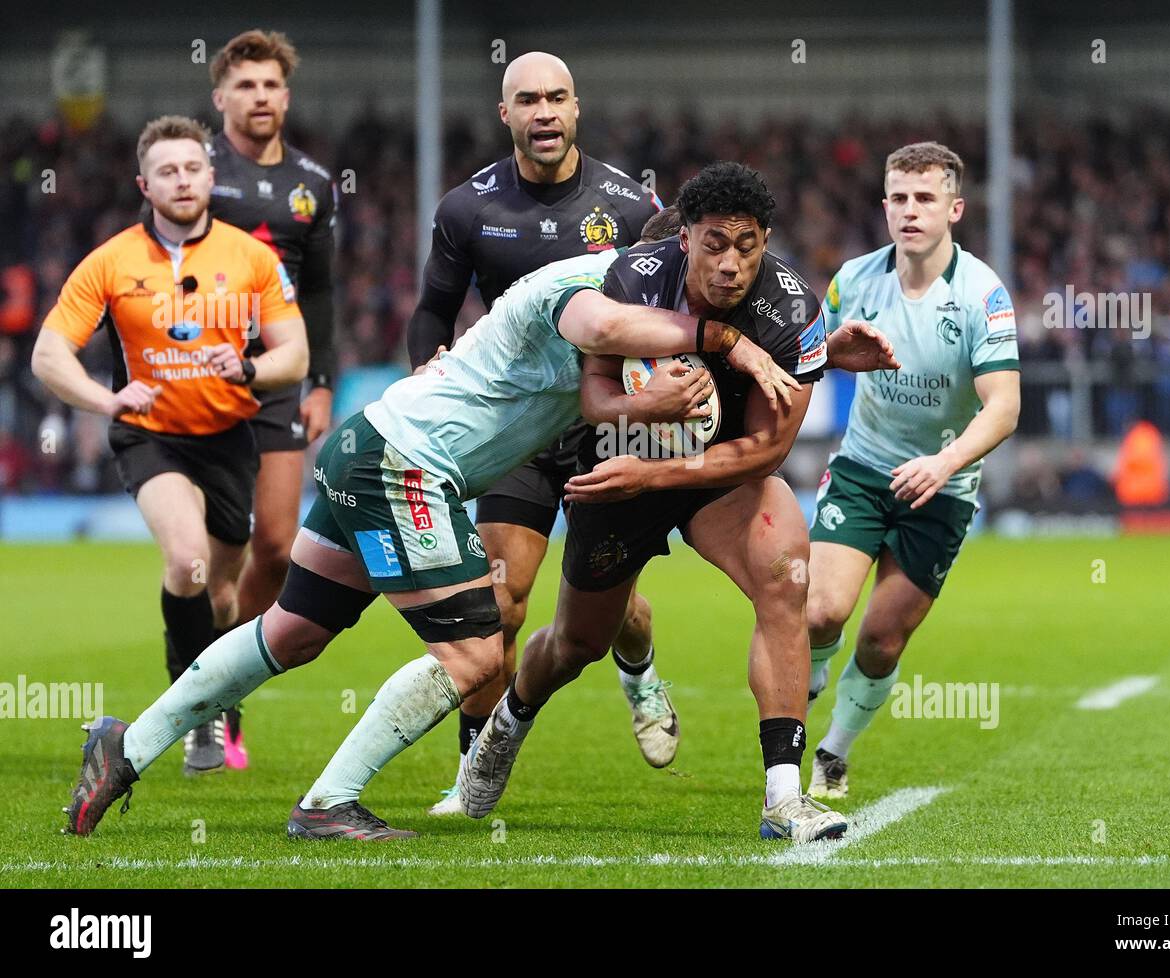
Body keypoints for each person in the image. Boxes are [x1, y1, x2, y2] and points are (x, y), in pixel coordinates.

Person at [63, 212, 818, 840]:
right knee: (474, 655)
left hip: (369, 442)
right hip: (405, 464)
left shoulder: (627, 311)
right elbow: (611, 321)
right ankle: (328, 804)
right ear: (655, 258)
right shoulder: (592, 288)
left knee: (291, 631)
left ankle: (124, 748)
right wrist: (725, 341)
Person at [459, 162, 900, 843]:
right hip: (620, 460)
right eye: (714, 245)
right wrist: (639, 408)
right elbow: (593, 398)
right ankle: (509, 721)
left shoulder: (791, 310)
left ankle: (785, 797)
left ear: (766, 239)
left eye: (746, 245)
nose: (730, 264)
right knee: (579, 641)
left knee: (786, 573)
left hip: (714, 476)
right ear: (684, 239)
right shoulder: (631, 281)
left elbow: (767, 450)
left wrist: (662, 475)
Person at [406, 51, 673, 815]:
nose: (545, 111)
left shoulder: (628, 204)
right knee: (502, 602)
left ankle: (641, 670)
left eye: (558, 97)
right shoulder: (467, 208)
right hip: (517, 431)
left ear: (577, 108)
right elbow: (433, 306)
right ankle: (474, 773)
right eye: (529, 100)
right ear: (507, 115)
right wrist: (426, 363)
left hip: (602, 427)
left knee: (613, 610)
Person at [31, 115, 308, 776]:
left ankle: (213, 695)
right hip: (150, 436)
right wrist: (107, 400)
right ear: (143, 184)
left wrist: (247, 368)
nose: (182, 180)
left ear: (211, 176)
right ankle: (198, 714)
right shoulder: (111, 261)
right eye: (167, 172)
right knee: (185, 561)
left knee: (220, 593)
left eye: (192, 168)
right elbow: (48, 354)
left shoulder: (251, 257)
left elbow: (294, 355)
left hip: (228, 438)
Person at [802, 142, 1021, 799]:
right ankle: (808, 676)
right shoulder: (853, 280)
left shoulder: (983, 294)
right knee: (821, 613)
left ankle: (834, 750)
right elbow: (805, 360)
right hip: (864, 467)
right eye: (898, 197)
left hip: (944, 486)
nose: (910, 210)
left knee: (881, 641)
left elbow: (1005, 406)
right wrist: (831, 355)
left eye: (925, 198)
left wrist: (944, 461)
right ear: (884, 205)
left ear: (954, 208)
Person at [205, 29, 339, 770]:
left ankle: (226, 680)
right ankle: (198, 686)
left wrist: (320, 379)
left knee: (278, 547)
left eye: (270, 86)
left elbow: (318, 293)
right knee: (204, 562)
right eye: (245, 86)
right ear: (220, 96)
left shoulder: (313, 184)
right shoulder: (198, 169)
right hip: (195, 378)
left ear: (285, 97)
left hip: (278, 378)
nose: (259, 97)